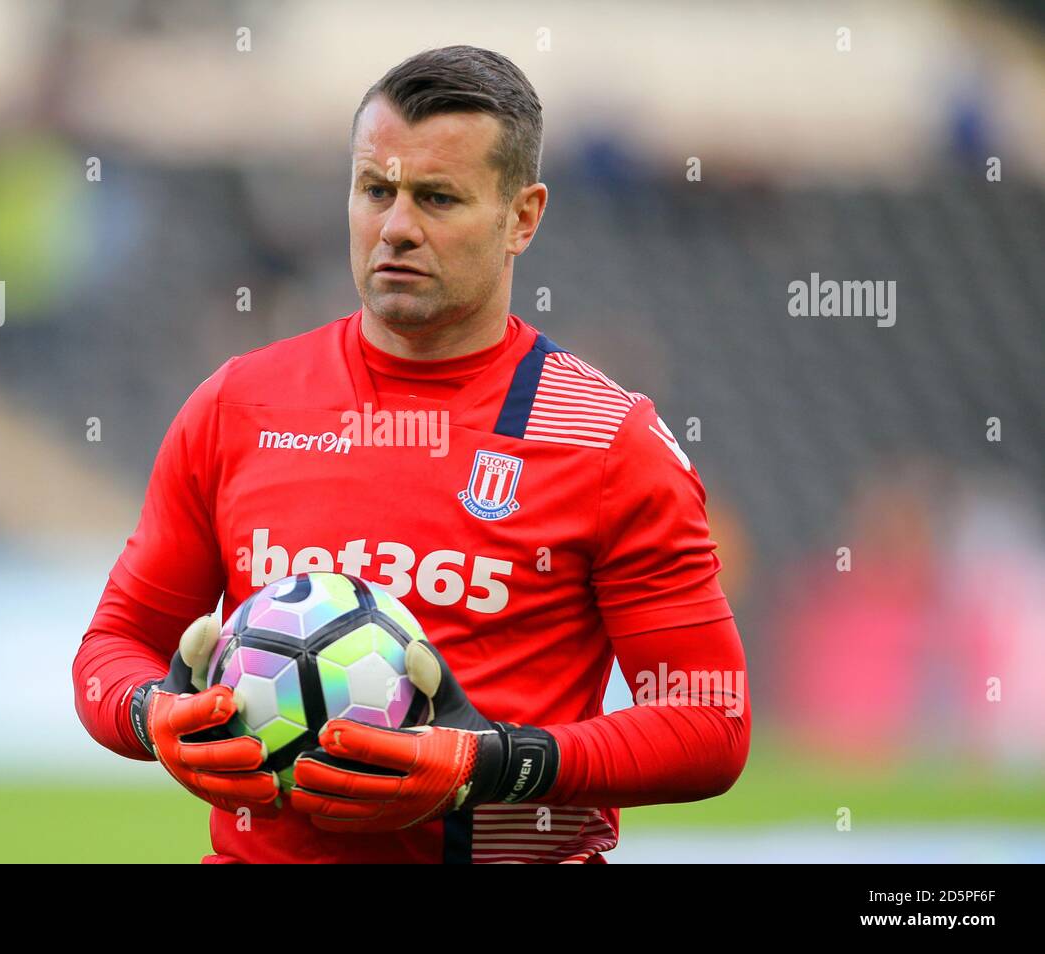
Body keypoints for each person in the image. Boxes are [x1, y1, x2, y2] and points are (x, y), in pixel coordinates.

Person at [73, 44, 749, 863]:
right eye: (375, 191)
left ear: (523, 217)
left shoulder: (606, 440)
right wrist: (154, 716)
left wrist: (488, 763)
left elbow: (710, 722)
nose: (396, 227)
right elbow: (112, 648)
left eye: (437, 197)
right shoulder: (238, 405)